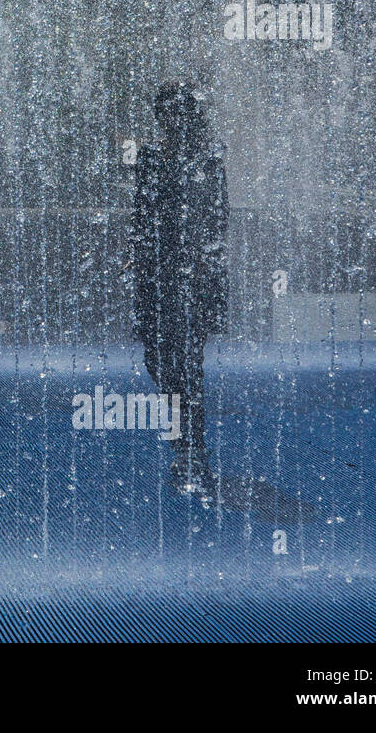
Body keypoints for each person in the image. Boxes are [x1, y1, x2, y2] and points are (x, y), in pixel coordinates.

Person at [129, 82, 228, 495]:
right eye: (166, 113)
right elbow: (141, 212)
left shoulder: (208, 158)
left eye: (179, 112)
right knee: (157, 358)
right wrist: (135, 257)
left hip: (193, 274)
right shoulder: (150, 159)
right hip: (156, 273)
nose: (172, 120)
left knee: (186, 363)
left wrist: (209, 263)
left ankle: (192, 448)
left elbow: (219, 212)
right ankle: (181, 438)